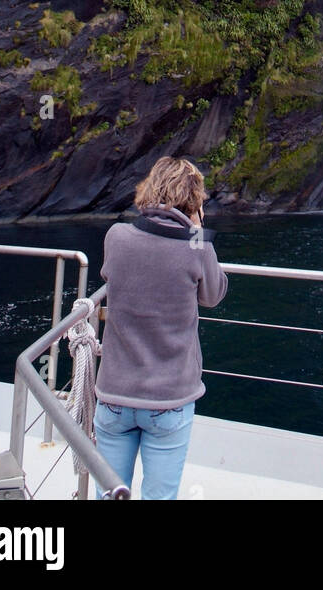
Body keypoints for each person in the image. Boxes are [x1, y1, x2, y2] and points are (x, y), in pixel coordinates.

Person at [93, 156, 228, 499]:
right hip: (169, 399)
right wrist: (199, 230)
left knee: (108, 494)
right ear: (195, 200)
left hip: (114, 395)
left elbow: (109, 275)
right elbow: (213, 295)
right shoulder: (197, 243)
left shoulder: (117, 235)